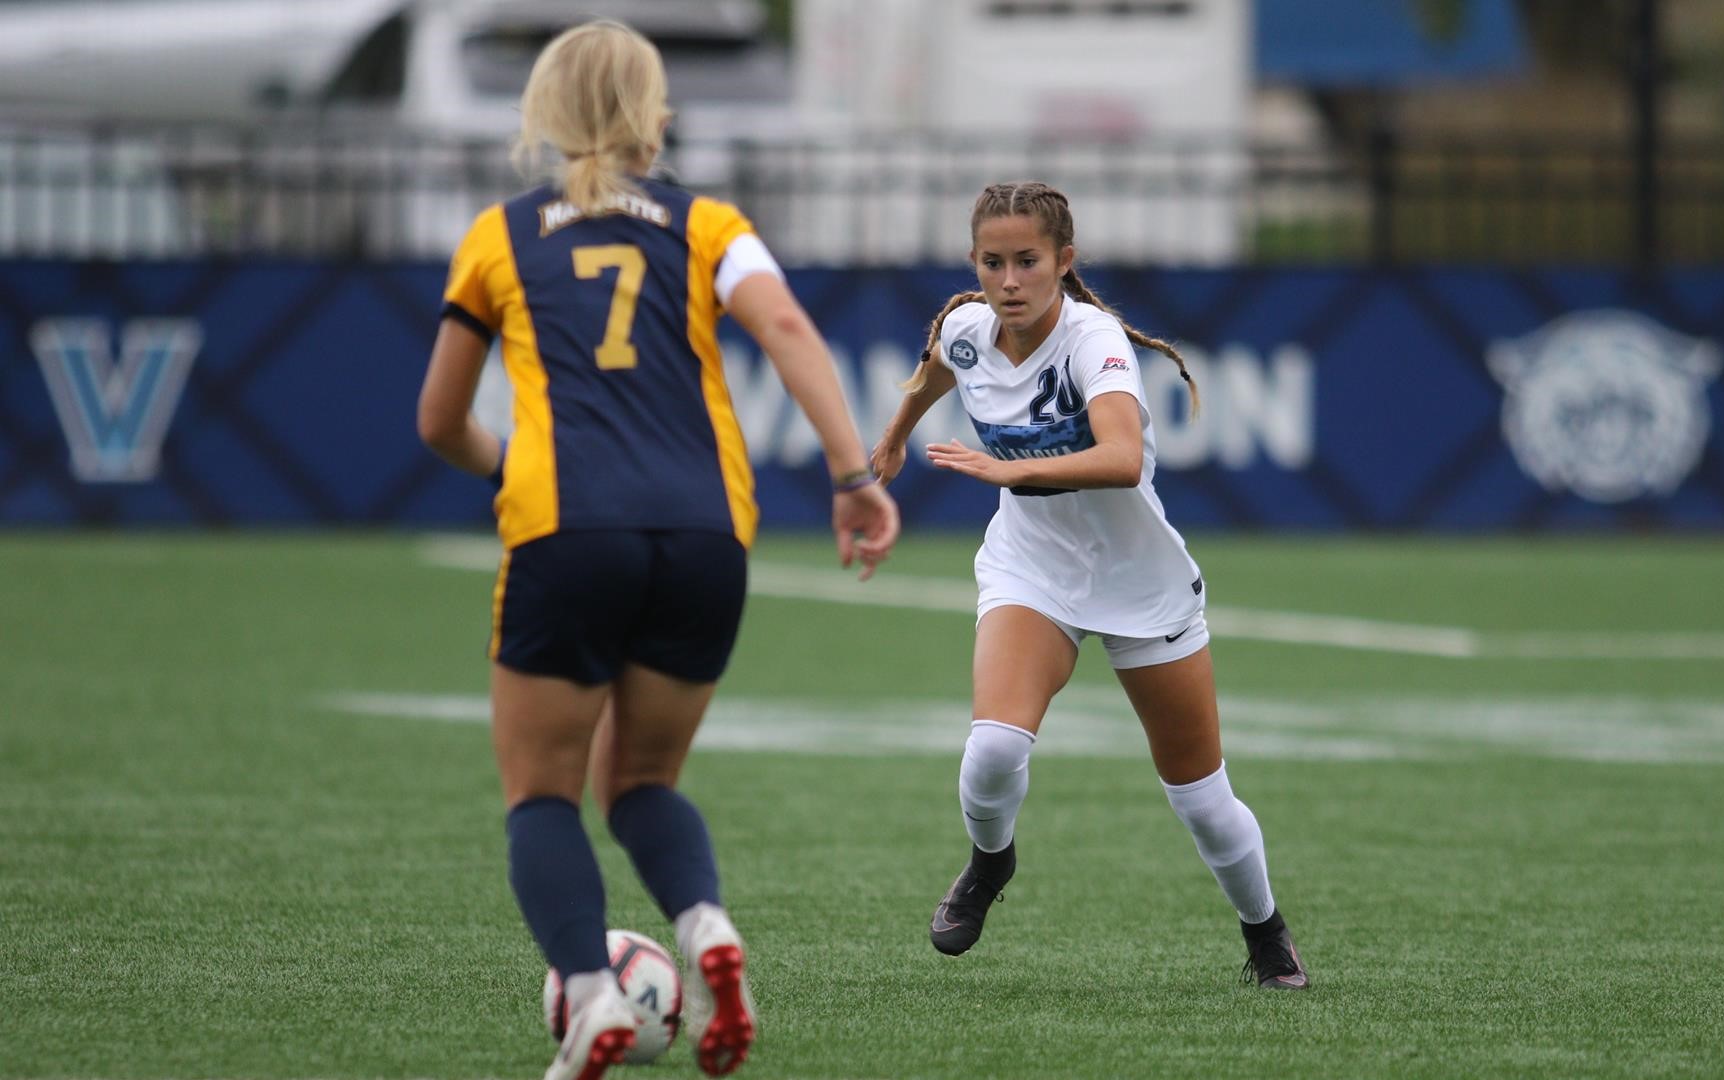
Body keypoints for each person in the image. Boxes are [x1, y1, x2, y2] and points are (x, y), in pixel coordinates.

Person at [417, 21, 900, 1080]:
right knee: (640, 781)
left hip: (567, 527)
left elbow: (439, 420)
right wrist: (853, 474)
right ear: (654, 117)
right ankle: (703, 926)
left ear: (543, 115)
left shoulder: (499, 236)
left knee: (543, 793)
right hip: (704, 534)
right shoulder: (709, 223)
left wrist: (510, 469)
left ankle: (592, 995)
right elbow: (788, 330)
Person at [869, 181, 1306, 991]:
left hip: (1140, 581)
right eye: (992, 262)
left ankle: (1266, 933)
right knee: (995, 748)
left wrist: (1010, 470)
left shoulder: (1092, 340)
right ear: (974, 263)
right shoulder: (967, 330)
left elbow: (1123, 458)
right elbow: (938, 371)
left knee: (1202, 798)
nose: (1009, 281)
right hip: (1032, 568)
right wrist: (895, 436)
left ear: (1063, 261)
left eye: (1027, 262)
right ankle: (990, 864)